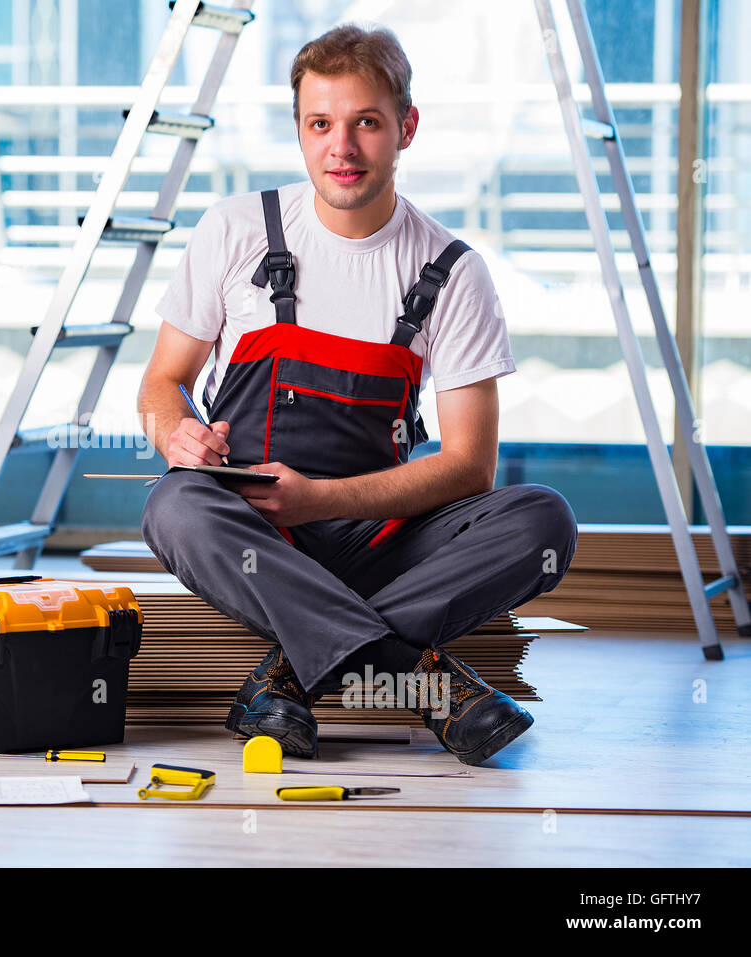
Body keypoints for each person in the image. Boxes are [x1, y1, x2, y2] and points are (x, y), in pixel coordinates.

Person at [137, 24, 577, 766]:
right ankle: (419, 678)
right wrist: (175, 431)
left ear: (406, 128)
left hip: (380, 536)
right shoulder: (237, 230)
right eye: (321, 125)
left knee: (543, 522)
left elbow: (471, 466)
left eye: (366, 123)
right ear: (301, 131)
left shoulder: (452, 271)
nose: (341, 147)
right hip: (252, 530)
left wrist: (322, 500)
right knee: (174, 504)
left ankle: (288, 675)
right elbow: (159, 383)